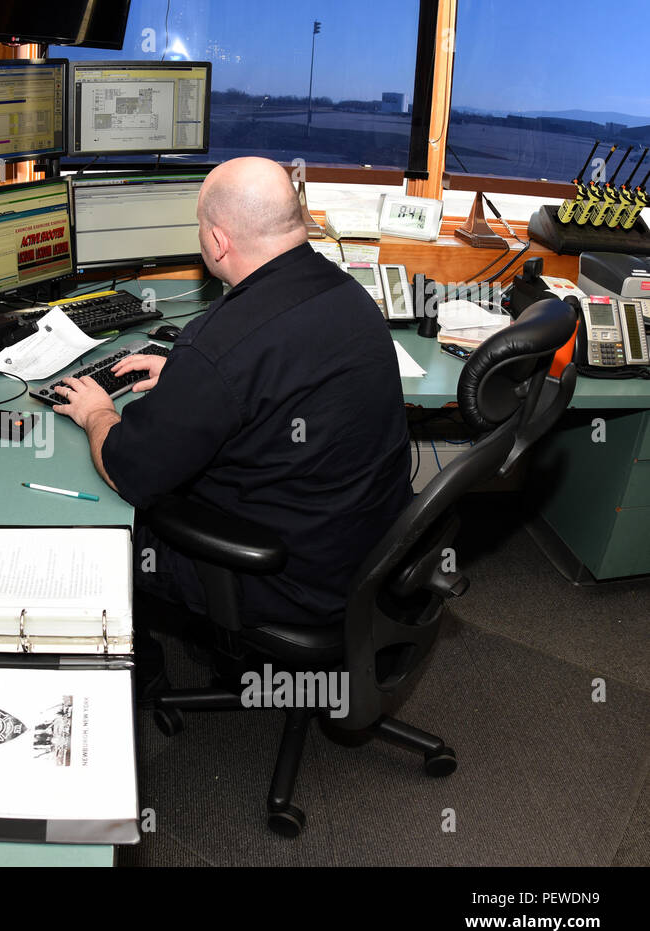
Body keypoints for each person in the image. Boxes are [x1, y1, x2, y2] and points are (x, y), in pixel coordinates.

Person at [52, 157, 412, 628]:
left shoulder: (217, 345)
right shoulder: (347, 292)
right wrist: (190, 380)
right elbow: (277, 378)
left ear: (219, 241)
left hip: (284, 580)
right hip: (366, 552)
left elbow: (129, 472)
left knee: (92, 539)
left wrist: (98, 411)